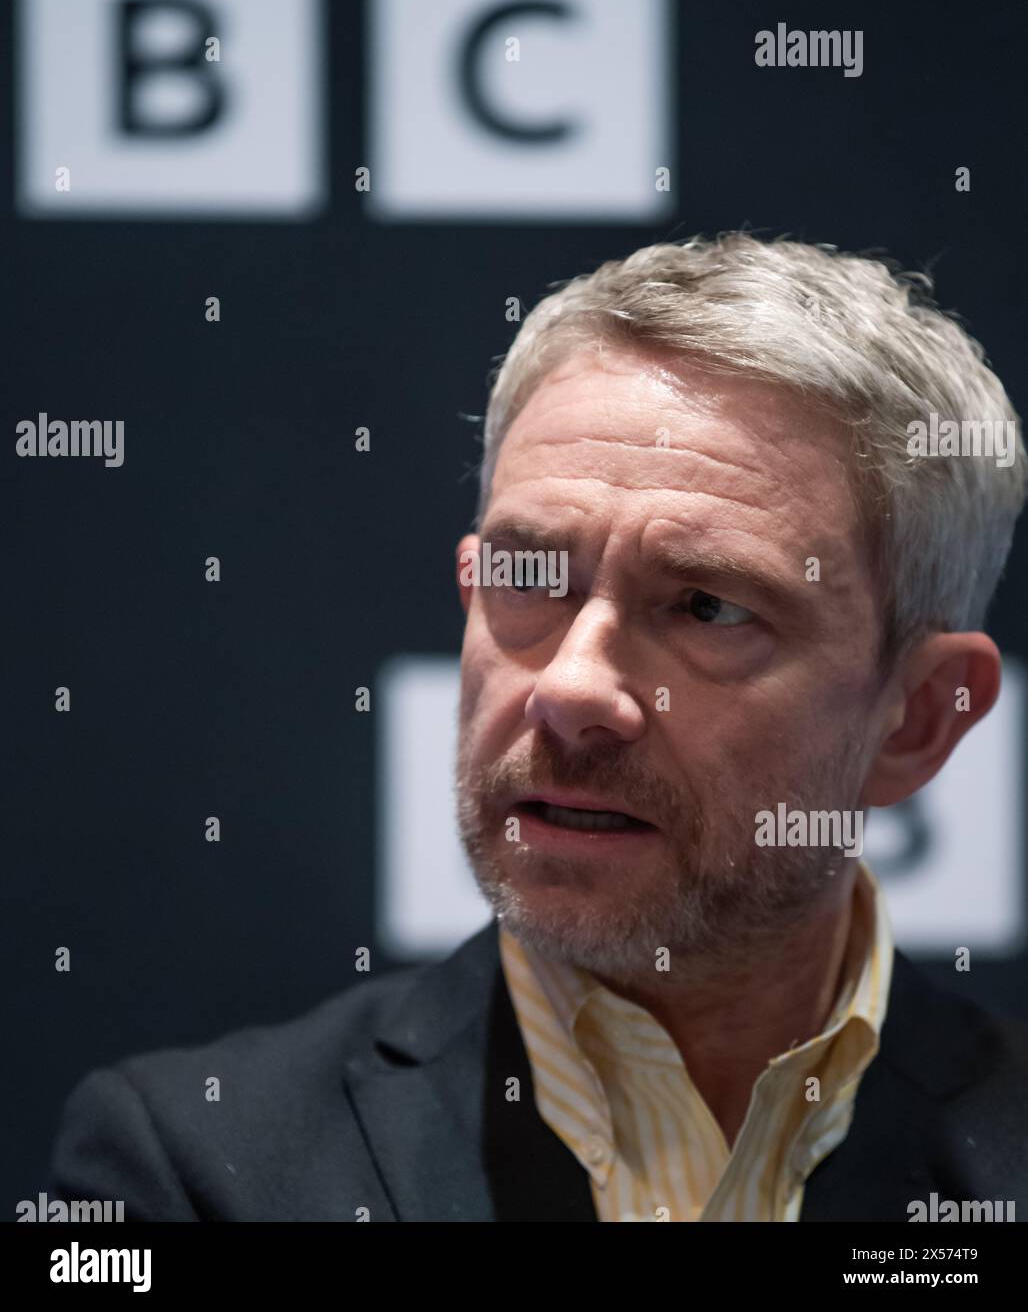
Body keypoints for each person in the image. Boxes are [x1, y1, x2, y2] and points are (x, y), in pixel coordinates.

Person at [51, 233, 1028, 1221]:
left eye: (705, 607)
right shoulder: (187, 1171)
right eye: (528, 577)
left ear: (915, 718)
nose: (569, 687)